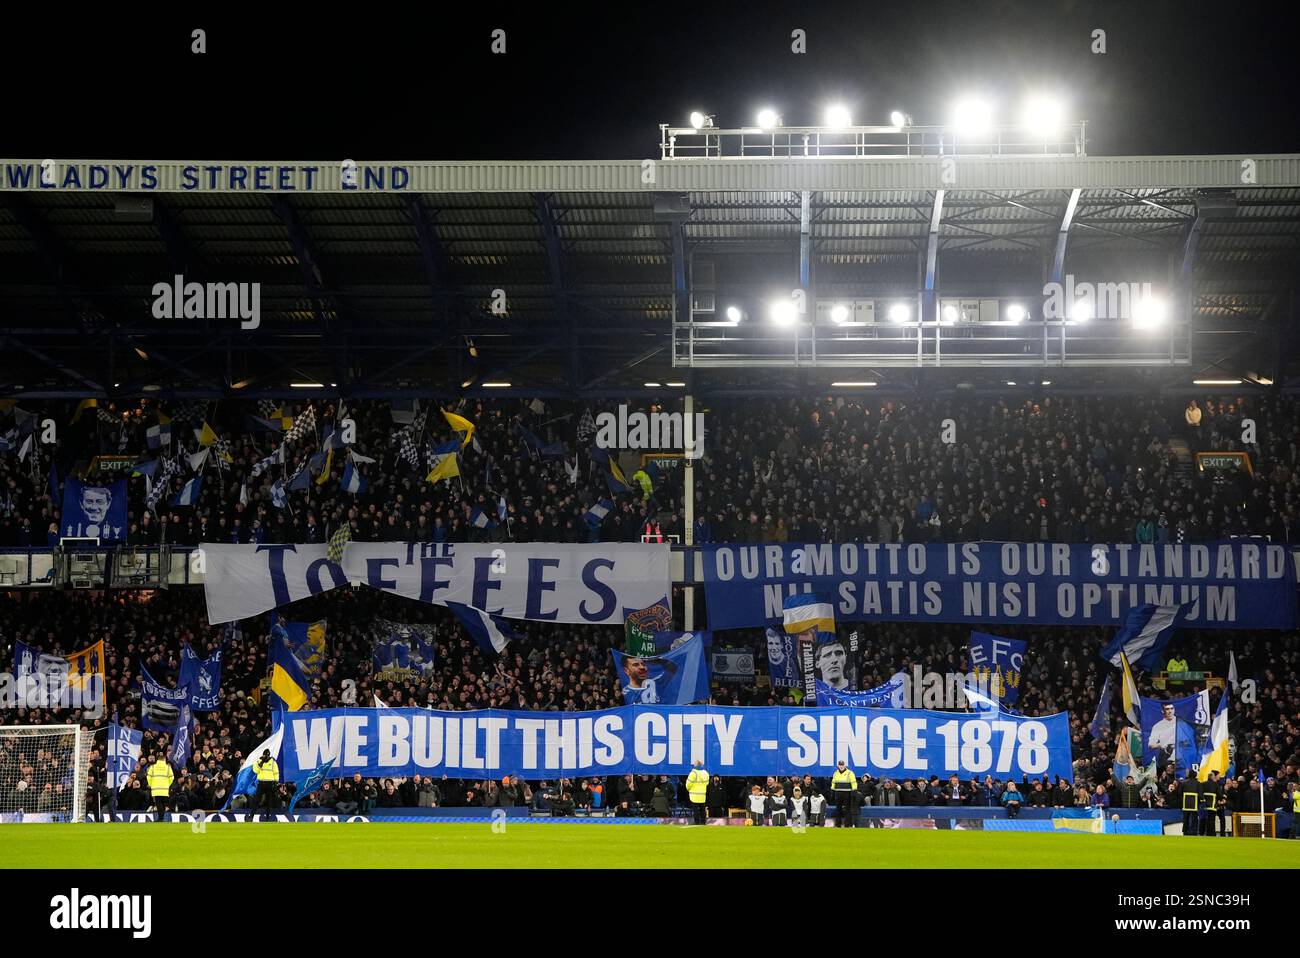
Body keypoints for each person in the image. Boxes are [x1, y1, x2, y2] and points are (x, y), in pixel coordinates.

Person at [145, 753, 174, 821]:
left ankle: (160, 818)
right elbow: (172, 777)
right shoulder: (168, 767)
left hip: (156, 789)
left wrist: (151, 784)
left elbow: (148, 777)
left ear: (157, 760)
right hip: (165, 789)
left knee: (158, 804)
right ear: (164, 759)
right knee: (163, 804)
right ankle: (161, 818)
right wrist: (168, 784)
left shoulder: (153, 767)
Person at [253, 748, 279, 820]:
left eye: (267, 755)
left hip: (270, 783)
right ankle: (251, 816)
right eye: (265, 755)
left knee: (268, 801)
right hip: (261, 783)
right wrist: (260, 764)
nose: (266, 757)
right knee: (256, 800)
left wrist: (276, 782)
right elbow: (255, 771)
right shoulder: (258, 761)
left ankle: (267, 818)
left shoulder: (273, 762)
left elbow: (276, 773)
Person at [830, 760, 857, 827]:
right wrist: (832, 791)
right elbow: (833, 783)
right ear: (838, 766)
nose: (841, 766)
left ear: (845, 765)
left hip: (847, 793)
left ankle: (847, 825)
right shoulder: (835, 773)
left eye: (842, 765)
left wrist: (854, 791)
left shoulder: (850, 773)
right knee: (838, 809)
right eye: (840, 765)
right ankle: (838, 824)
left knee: (847, 809)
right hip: (838, 793)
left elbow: (853, 782)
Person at [685, 759, 709, 825]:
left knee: (695, 810)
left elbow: (688, 784)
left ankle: (697, 822)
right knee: (702, 809)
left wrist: (689, 789)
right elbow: (707, 783)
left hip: (694, 795)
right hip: (702, 795)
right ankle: (703, 822)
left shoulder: (693, 773)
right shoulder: (705, 773)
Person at [1178, 769, 1200, 836]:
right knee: (1194, 818)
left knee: (1186, 818)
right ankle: (1194, 831)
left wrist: (1183, 800)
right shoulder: (1198, 783)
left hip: (1185, 803)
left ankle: (1185, 831)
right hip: (1195, 804)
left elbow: (1179, 793)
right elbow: (1200, 794)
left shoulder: (1183, 783)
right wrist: (1199, 801)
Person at [1199, 771, 1221, 837]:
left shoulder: (1203, 784)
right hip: (1213, 806)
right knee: (1211, 821)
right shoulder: (1216, 784)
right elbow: (1219, 795)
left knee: (1203, 819)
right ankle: (1211, 834)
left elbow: (1200, 793)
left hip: (1204, 806)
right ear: (1212, 777)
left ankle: (1201, 833)